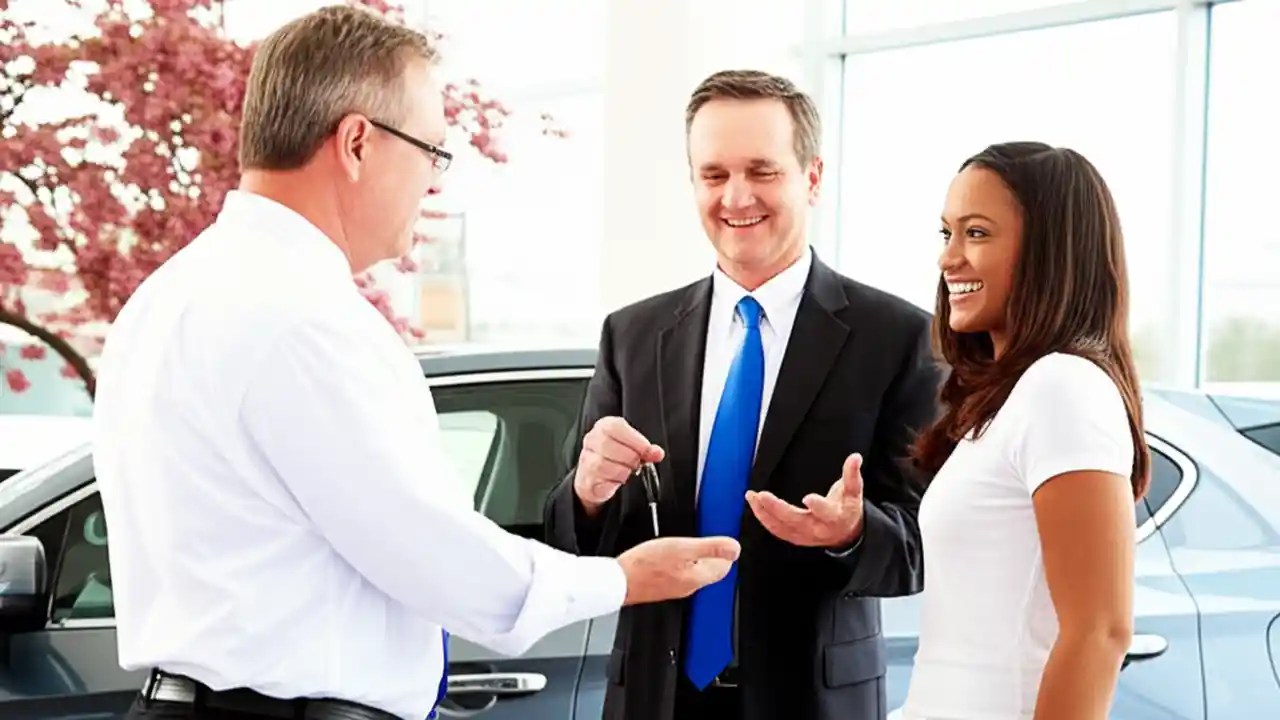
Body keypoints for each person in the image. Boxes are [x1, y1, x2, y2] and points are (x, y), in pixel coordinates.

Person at [91, 7, 740, 720]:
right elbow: (432, 554)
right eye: (431, 151)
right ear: (358, 143)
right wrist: (618, 580)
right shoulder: (302, 318)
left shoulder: (166, 299)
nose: (434, 182)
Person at [543, 69, 942, 720]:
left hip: (810, 702)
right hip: (653, 698)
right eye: (714, 174)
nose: (736, 197)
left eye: (762, 171)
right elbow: (578, 547)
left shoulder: (897, 339)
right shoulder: (633, 335)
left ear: (812, 177)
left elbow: (923, 547)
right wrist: (587, 494)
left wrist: (850, 532)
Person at [900, 141, 1150, 720]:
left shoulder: (1063, 387)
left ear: (1049, 253)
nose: (949, 259)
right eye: (947, 234)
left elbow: (1101, 630)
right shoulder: (1009, 400)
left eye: (978, 234)